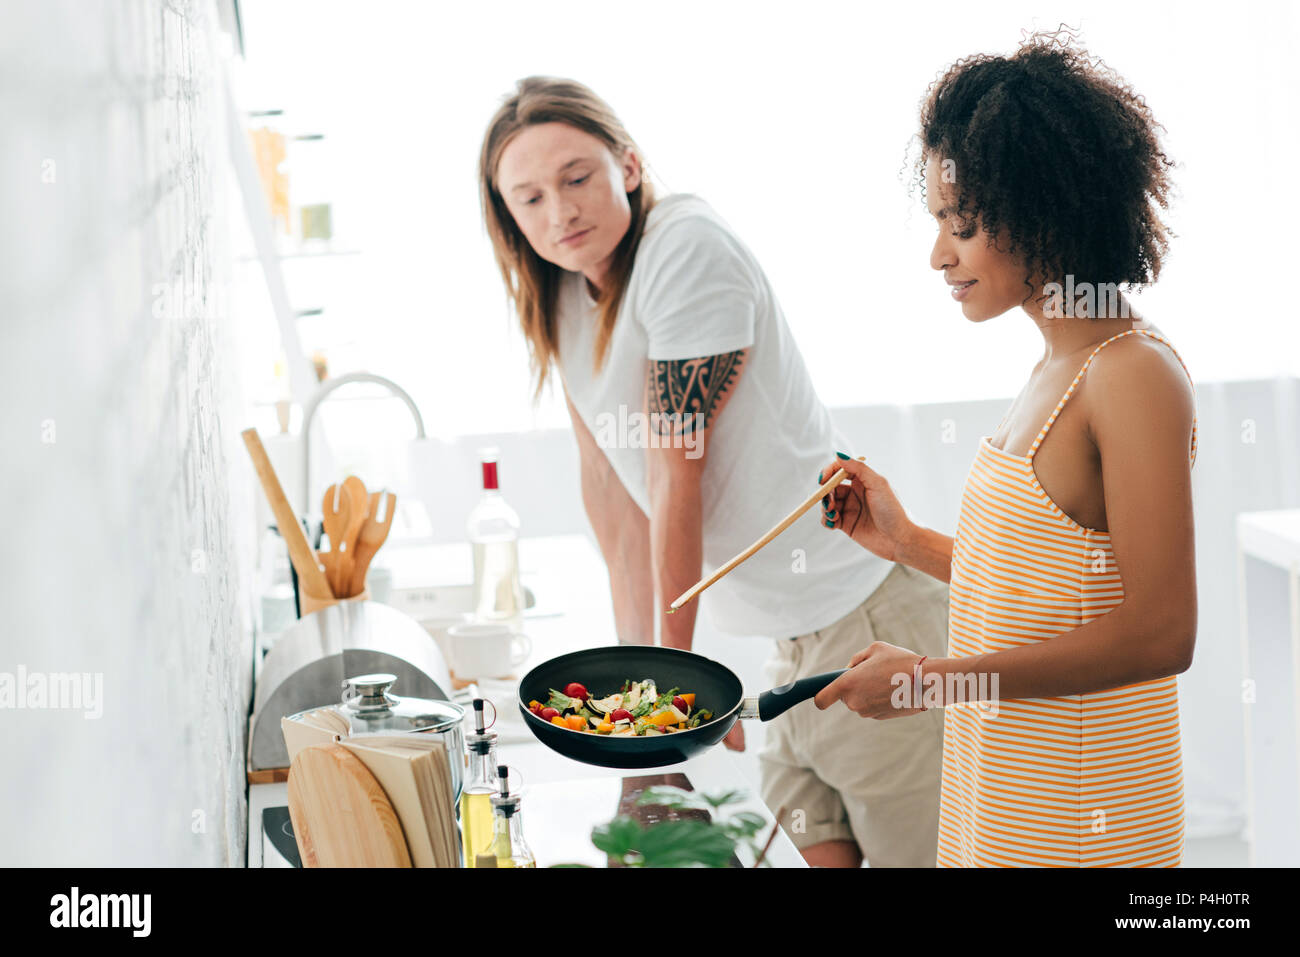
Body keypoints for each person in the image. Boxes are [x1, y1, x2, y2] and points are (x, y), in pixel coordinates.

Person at [479, 77, 949, 867]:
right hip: (785, 646)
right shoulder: (560, 294)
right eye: (527, 198)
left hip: (870, 620)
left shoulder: (684, 249)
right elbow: (619, 503)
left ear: (627, 164)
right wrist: (642, 708)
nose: (558, 212)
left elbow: (674, 478)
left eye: (576, 177)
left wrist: (663, 716)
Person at [813, 32, 1197, 867]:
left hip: (1079, 818)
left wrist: (929, 681)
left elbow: (1163, 632)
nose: (939, 254)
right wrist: (905, 541)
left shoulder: (1129, 374)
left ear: (1043, 209)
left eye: (965, 223)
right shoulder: (1055, 367)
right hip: (1007, 795)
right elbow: (1054, 591)